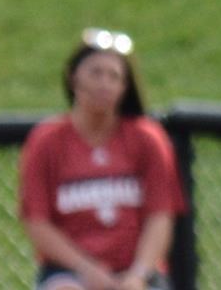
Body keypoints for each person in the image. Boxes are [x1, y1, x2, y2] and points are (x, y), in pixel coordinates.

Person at [18, 29, 187, 290]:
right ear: (73, 78)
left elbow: (160, 216)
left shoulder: (147, 138)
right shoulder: (47, 141)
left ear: (125, 87)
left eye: (114, 76)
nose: (104, 83)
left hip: (136, 271)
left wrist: (138, 274)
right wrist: (86, 269)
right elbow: (37, 222)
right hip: (69, 271)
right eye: (95, 73)